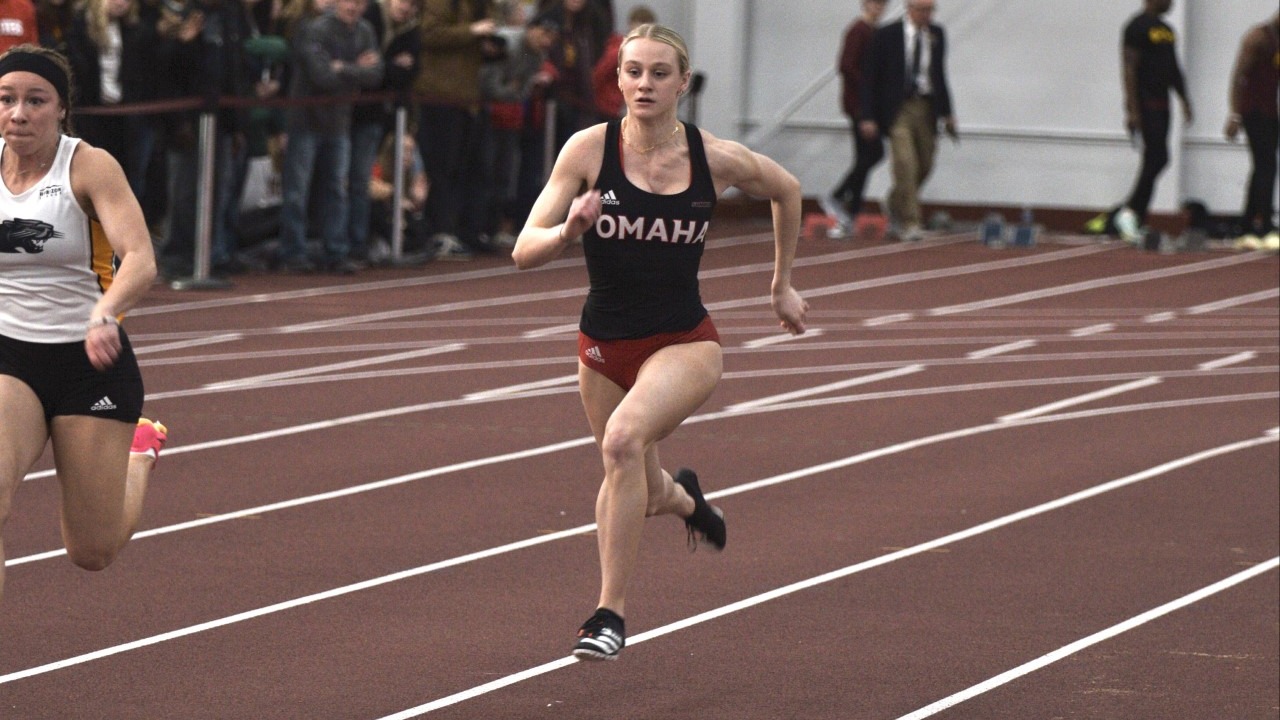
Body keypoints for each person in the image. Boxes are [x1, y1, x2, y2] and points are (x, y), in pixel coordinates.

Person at [512, 23, 808, 661]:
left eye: (659, 73)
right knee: (638, 486)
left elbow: (787, 190)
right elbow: (522, 250)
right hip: (602, 348)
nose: (644, 84)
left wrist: (781, 284)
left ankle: (608, 616)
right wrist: (567, 231)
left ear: (683, 83)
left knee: (622, 443)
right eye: (633, 71)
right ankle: (686, 501)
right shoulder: (588, 150)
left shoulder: (713, 158)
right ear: (618, 80)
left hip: (684, 342)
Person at [0, 45, 168, 604]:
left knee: (91, 551)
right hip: (9, 357)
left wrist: (104, 313)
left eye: (35, 100)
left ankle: (140, 452)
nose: (18, 113)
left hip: (88, 362)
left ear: (62, 109)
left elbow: (139, 257)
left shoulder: (88, 166)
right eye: (6, 99)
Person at [276, 0, 383, 274]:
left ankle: (335, 251)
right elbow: (320, 75)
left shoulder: (365, 31)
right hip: (305, 121)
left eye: (359, 2)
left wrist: (342, 67)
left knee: (336, 190)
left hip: (339, 123)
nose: (353, 7)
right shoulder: (315, 29)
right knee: (297, 191)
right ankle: (293, 252)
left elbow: (375, 74)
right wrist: (355, 68)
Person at [858, 0, 955, 243]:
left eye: (931, 10)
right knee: (905, 163)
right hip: (898, 109)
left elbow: (939, 74)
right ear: (909, 9)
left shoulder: (936, 34)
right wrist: (867, 115)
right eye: (923, 10)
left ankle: (894, 201)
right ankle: (910, 222)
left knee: (925, 164)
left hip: (927, 108)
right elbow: (869, 77)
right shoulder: (886, 35)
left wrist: (948, 112)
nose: (928, 15)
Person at [415, 0, 500, 261]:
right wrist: (472, 31)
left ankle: (464, 231)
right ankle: (440, 232)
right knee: (442, 168)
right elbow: (429, 34)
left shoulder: (481, 5)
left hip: (468, 97)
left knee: (468, 169)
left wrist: (490, 46)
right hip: (440, 95)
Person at [1109, 0, 1193, 243]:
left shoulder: (1167, 30)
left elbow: (1174, 67)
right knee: (1157, 156)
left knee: (1158, 158)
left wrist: (1184, 99)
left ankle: (1136, 215)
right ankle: (1130, 211)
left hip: (1163, 102)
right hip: (1145, 102)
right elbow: (1129, 68)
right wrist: (1132, 109)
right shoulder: (1136, 26)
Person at [347, 0, 421, 266]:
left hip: (376, 116)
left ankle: (358, 244)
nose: (406, 7)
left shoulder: (412, 31)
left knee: (361, 180)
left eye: (413, 4)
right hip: (346, 111)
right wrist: (389, 66)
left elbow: (409, 73)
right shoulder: (369, 18)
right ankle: (336, 243)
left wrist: (381, 67)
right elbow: (367, 70)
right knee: (339, 180)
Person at [479, 10, 557, 246]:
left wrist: (513, 90)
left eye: (551, 36)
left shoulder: (537, 54)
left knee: (504, 174)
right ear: (531, 29)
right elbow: (488, 82)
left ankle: (493, 228)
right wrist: (510, 91)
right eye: (543, 33)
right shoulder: (508, 42)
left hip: (511, 118)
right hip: (488, 115)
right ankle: (478, 229)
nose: (546, 40)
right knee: (485, 171)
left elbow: (524, 89)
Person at [823, 0, 886, 239]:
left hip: (870, 103)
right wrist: (868, 87)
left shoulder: (874, 31)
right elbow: (846, 65)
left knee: (865, 156)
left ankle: (853, 210)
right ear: (865, 4)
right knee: (874, 152)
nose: (879, 8)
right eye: (875, 4)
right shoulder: (857, 30)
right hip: (858, 104)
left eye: (882, 4)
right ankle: (838, 195)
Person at [1224, 12, 1278, 244]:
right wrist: (1235, 114)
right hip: (1252, 110)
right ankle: (1264, 222)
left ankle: (1247, 222)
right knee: (1267, 165)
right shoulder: (1258, 38)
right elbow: (1238, 76)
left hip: (1270, 111)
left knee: (1262, 166)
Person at [590, 4, 653, 120]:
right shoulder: (620, 50)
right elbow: (598, 74)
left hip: (617, 107)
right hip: (607, 107)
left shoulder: (629, 50)